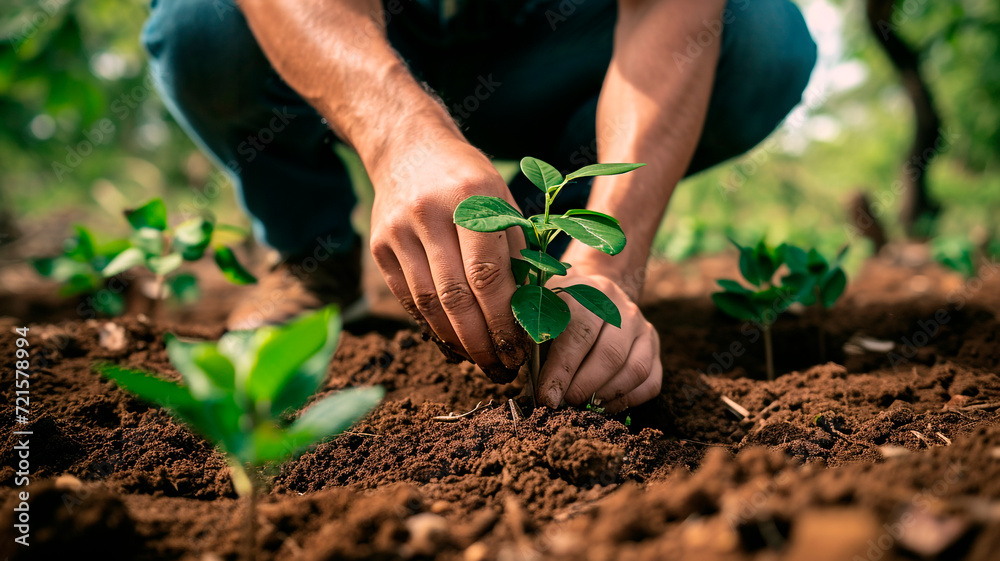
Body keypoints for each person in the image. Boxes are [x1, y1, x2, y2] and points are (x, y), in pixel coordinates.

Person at [141, 0, 816, 412]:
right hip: (362, 27)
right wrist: (400, 133)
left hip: (550, 34)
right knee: (203, 19)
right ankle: (309, 251)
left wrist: (608, 263)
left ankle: (547, 271)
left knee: (759, 34)